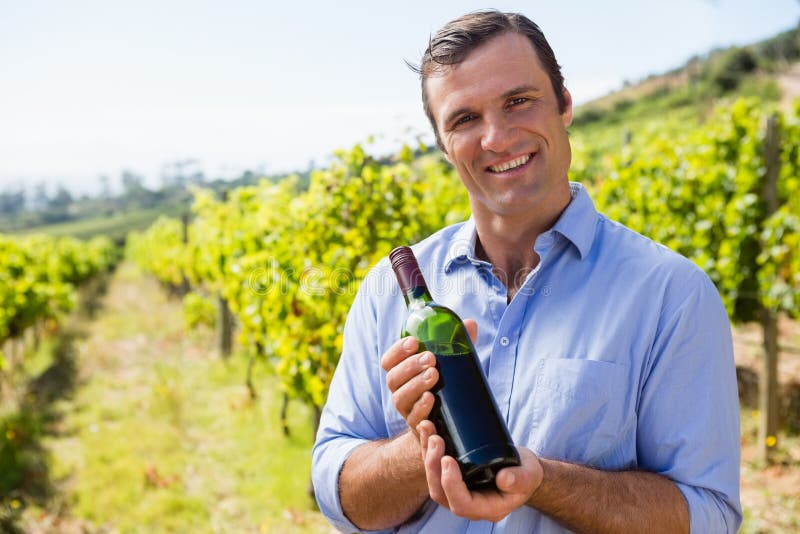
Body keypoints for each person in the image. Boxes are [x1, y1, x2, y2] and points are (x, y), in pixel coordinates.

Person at [312, 10, 742, 533]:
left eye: (518, 101)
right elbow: (339, 496)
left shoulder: (672, 296)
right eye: (464, 119)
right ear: (444, 147)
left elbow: (708, 516)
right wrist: (423, 440)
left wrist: (541, 481)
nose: (496, 136)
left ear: (564, 103)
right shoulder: (389, 291)